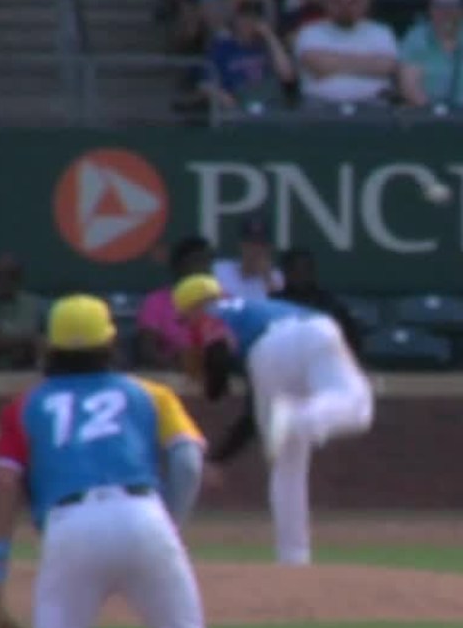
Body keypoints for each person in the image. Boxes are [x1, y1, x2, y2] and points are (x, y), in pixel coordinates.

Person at [0, 295, 230, 628]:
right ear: (111, 341)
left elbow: (4, 486)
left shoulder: (24, 406)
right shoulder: (151, 393)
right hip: (143, 515)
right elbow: (186, 462)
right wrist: (170, 527)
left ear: (47, 346)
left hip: (70, 525)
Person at [174, 274, 374, 566]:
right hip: (316, 329)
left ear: (191, 307)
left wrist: (212, 385)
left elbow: (217, 357)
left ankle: (293, 555)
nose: (186, 323)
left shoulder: (208, 315)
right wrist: (220, 457)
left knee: (286, 464)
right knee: (357, 407)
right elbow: (253, 418)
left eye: (183, 318)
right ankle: (294, 558)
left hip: (267, 351)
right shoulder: (257, 305)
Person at [136, 236, 215, 369]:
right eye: (196, 261)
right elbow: (146, 350)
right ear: (179, 266)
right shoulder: (156, 302)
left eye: (206, 262)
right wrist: (177, 367)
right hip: (172, 375)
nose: (202, 267)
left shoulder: (223, 301)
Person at [274, 247, 361, 352]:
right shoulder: (274, 304)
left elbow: (350, 342)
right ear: (286, 272)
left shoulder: (329, 304)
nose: (301, 275)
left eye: (306, 269)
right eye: (295, 270)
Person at [211, 217, 284, 300]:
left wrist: (266, 276)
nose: (255, 249)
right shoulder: (219, 270)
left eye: (261, 244)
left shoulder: (275, 277)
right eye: (250, 244)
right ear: (241, 245)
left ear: (268, 248)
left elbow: (279, 307)